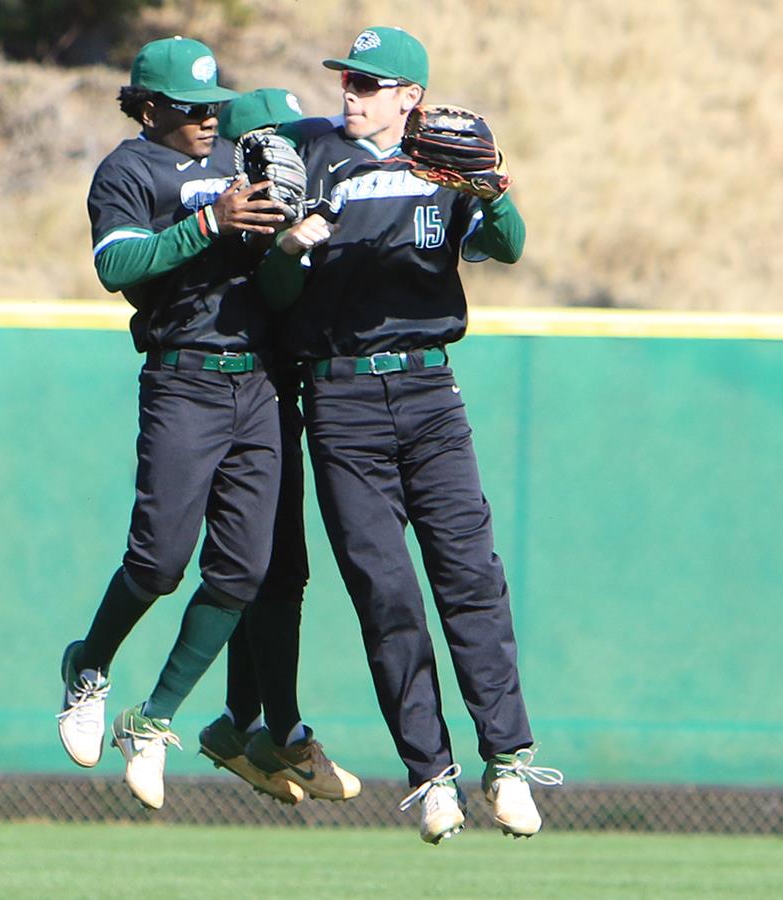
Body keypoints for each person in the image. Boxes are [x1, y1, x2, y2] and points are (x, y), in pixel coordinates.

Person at [258, 27, 562, 843]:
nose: (350, 94)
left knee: (471, 579)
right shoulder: (313, 153)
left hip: (429, 394)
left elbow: (508, 247)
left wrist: (494, 192)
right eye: (347, 80)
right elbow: (277, 291)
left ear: (409, 96)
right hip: (340, 399)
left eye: (368, 84)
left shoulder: (442, 159)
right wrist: (285, 247)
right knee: (385, 594)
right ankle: (432, 776)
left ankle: (508, 760)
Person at [55, 36, 291, 811]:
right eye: (190, 110)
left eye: (213, 107)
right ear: (150, 108)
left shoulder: (234, 156)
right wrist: (209, 224)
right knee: (158, 564)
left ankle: (153, 720)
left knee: (242, 572)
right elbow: (116, 265)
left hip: (257, 381)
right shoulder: (127, 171)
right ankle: (89, 666)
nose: (207, 120)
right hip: (184, 376)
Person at [194, 89, 361, 806]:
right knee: (268, 569)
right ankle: (280, 732)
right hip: (232, 405)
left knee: (263, 569)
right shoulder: (226, 225)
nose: (293, 159)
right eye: (277, 145)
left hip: (271, 399)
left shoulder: (286, 216)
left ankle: (242, 724)